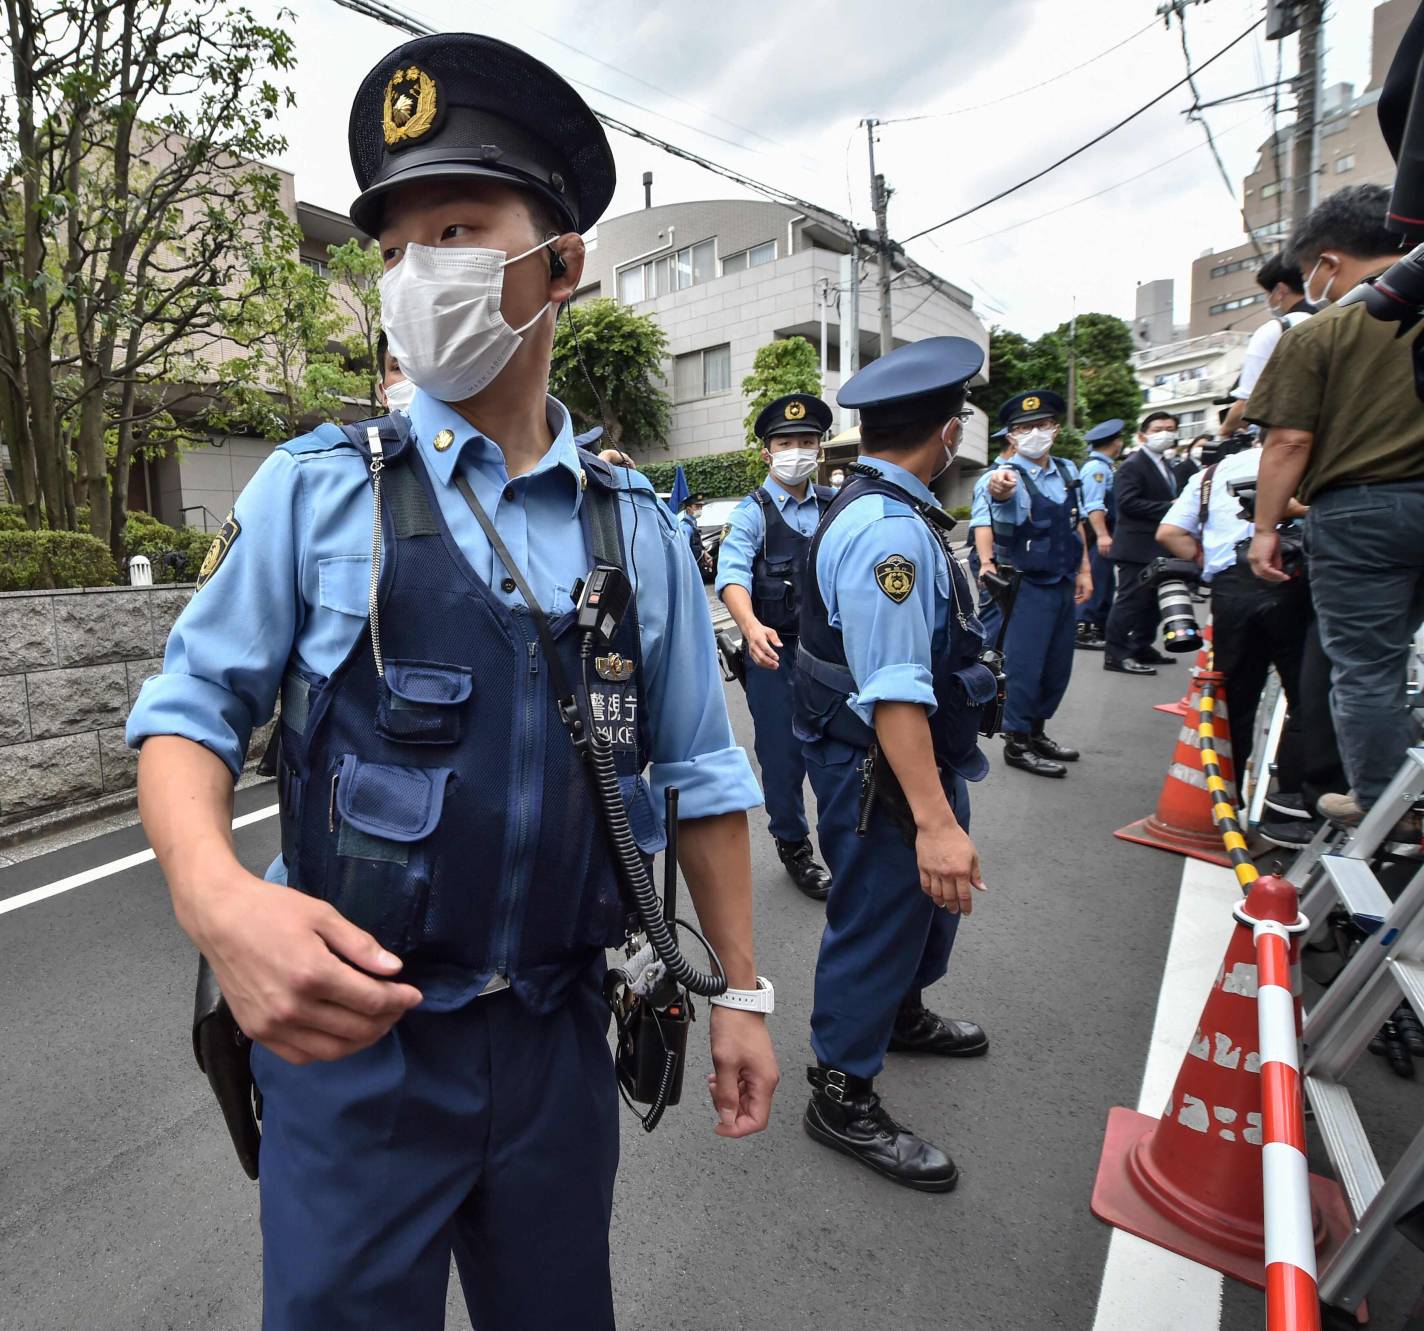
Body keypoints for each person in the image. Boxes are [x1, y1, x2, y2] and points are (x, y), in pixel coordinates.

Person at [126, 34, 778, 1330]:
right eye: (392, 247)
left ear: (562, 263)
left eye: (461, 225)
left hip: (555, 1047)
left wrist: (743, 990)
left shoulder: (636, 526)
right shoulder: (319, 491)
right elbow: (184, 716)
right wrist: (217, 904)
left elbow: (700, 773)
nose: (418, 274)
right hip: (354, 1055)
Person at [796, 335, 995, 1192]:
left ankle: (899, 1014)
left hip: (893, 762)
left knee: (919, 914)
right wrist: (937, 820)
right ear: (949, 434)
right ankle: (840, 1090)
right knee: (878, 918)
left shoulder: (877, 506)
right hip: (882, 767)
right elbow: (895, 693)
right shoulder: (890, 535)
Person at [1248, 183, 1424, 827]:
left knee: (1368, 667)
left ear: (1328, 261)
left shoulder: (1326, 331)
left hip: (1362, 513)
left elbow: (1289, 439)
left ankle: (1389, 806)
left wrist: (1265, 528)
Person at [1155, 438, 1318, 841]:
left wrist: (1207, 559)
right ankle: (1294, 806)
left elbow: (1170, 532)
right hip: (1295, 581)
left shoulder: (1209, 476)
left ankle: (1224, 800)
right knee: (1307, 697)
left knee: (1233, 700)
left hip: (1232, 588)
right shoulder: (1309, 460)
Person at [716, 392, 834, 900]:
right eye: (786, 442)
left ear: (820, 449)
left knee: (840, 752)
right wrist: (749, 625)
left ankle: (847, 843)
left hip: (832, 658)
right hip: (775, 655)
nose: (796, 451)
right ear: (767, 451)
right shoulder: (753, 514)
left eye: (806, 442)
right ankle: (793, 845)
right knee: (783, 758)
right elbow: (731, 575)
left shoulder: (838, 504)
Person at [968, 389, 1093, 777]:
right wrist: (987, 565)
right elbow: (985, 519)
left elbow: (1078, 524)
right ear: (1011, 436)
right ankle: (1017, 741)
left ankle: (1038, 730)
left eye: (1042, 425)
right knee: (1023, 664)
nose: (1035, 432)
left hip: (1061, 578)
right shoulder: (1002, 476)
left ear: (1055, 428)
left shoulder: (1070, 472)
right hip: (1024, 584)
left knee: (1057, 663)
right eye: (1025, 427)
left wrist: (1086, 569)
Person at [1104, 410, 1186, 675]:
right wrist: (1170, 508)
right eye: (1158, 428)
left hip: (1160, 547)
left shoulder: (1167, 465)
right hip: (1136, 547)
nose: (1165, 433)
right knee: (1130, 602)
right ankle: (1116, 654)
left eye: (1170, 428)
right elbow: (1127, 503)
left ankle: (1141, 645)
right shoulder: (1132, 465)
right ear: (1142, 435)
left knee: (1152, 603)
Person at [1220, 255, 1317, 441]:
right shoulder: (1334, 318)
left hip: (1291, 438)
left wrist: (1224, 430)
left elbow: (1247, 403)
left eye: (1267, 293)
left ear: (1280, 290)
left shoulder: (1276, 330)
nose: (1268, 300)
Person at [965, 429, 1019, 649]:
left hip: (1007, 559)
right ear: (1013, 444)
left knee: (1006, 619)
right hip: (995, 559)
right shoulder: (994, 478)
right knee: (994, 620)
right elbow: (982, 522)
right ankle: (983, 671)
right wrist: (988, 563)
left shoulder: (1019, 475)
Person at [1074, 419, 1125, 649]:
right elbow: (1094, 505)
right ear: (1115, 443)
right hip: (1096, 534)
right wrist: (1103, 535)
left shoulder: (1103, 466)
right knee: (1095, 579)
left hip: (1101, 532)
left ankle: (1095, 624)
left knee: (1104, 581)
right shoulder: (1096, 469)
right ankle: (1083, 627)